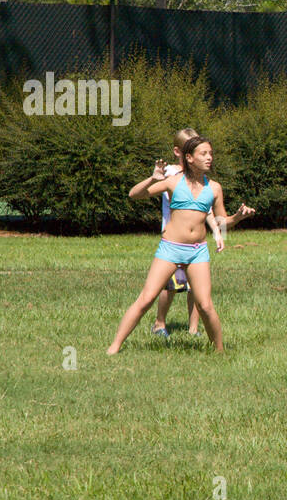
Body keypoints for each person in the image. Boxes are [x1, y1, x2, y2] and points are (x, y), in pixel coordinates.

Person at [107, 136, 255, 353]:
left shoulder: (214, 188)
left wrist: (238, 217)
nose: (209, 158)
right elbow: (134, 194)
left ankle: (220, 352)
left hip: (198, 252)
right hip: (170, 248)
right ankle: (114, 346)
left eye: (211, 154)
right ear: (189, 157)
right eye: (204, 154)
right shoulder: (173, 182)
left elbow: (222, 222)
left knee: (205, 305)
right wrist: (152, 178)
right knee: (146, 299)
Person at [150, 127, 217, 338]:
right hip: (172, 239)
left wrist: (216, 231)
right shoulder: (171, 174)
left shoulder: (200, 179)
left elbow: (205, 207)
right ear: (180, 152)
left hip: (194, 243)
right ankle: (159, 323)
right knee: (168, 285)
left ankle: (193, 328)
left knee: (193, 289)